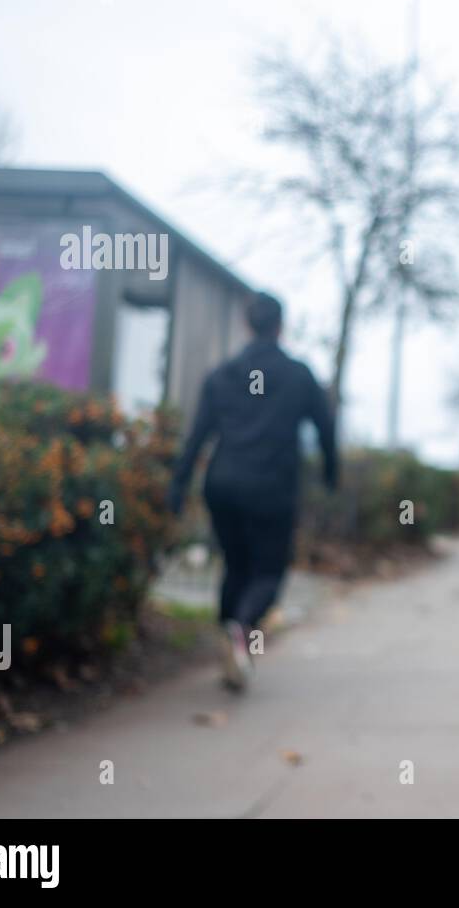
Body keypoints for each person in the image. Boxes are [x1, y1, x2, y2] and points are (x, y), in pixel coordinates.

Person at [167, 292, 337, 690]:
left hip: (223, 485)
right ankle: (241, 632)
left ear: (247, 325)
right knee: (267, 572)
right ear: (280, 326)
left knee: (235, 566)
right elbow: (326, 429)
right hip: (272, 488)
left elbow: (196, 438)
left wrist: (178, 486)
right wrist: (331, 474)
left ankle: (230, 637)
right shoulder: (298, 375)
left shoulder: (222, 374)